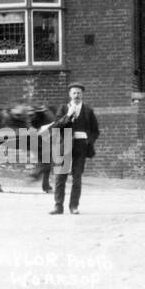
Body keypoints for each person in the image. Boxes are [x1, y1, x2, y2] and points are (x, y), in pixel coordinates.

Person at [42, 84, 100, 214]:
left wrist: (88, 140)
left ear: (82, 94)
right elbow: (56, 126)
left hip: (80, 147)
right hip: (64, 146)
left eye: (79, 93)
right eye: (74, 93)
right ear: (70, 94)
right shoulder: (63, 108)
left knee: (77, 177)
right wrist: (68, 115)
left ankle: (74, 206)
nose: (76, 95)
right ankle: (58, 206)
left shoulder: (88, 111)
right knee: (60, 176)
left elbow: (95, 131)